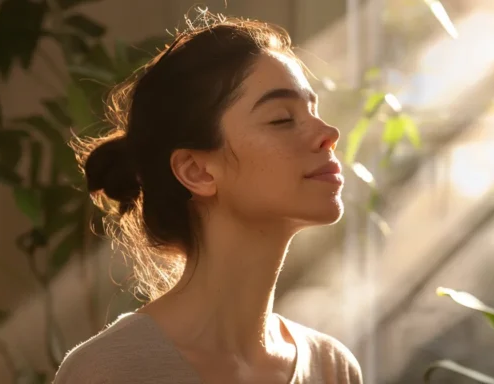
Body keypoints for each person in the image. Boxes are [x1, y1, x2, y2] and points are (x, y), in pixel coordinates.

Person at [53, 11, 362, 384]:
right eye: (282, 118)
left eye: (314, 111)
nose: (329, 132)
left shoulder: (333, 369)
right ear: (196, 171)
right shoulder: (112, 371)